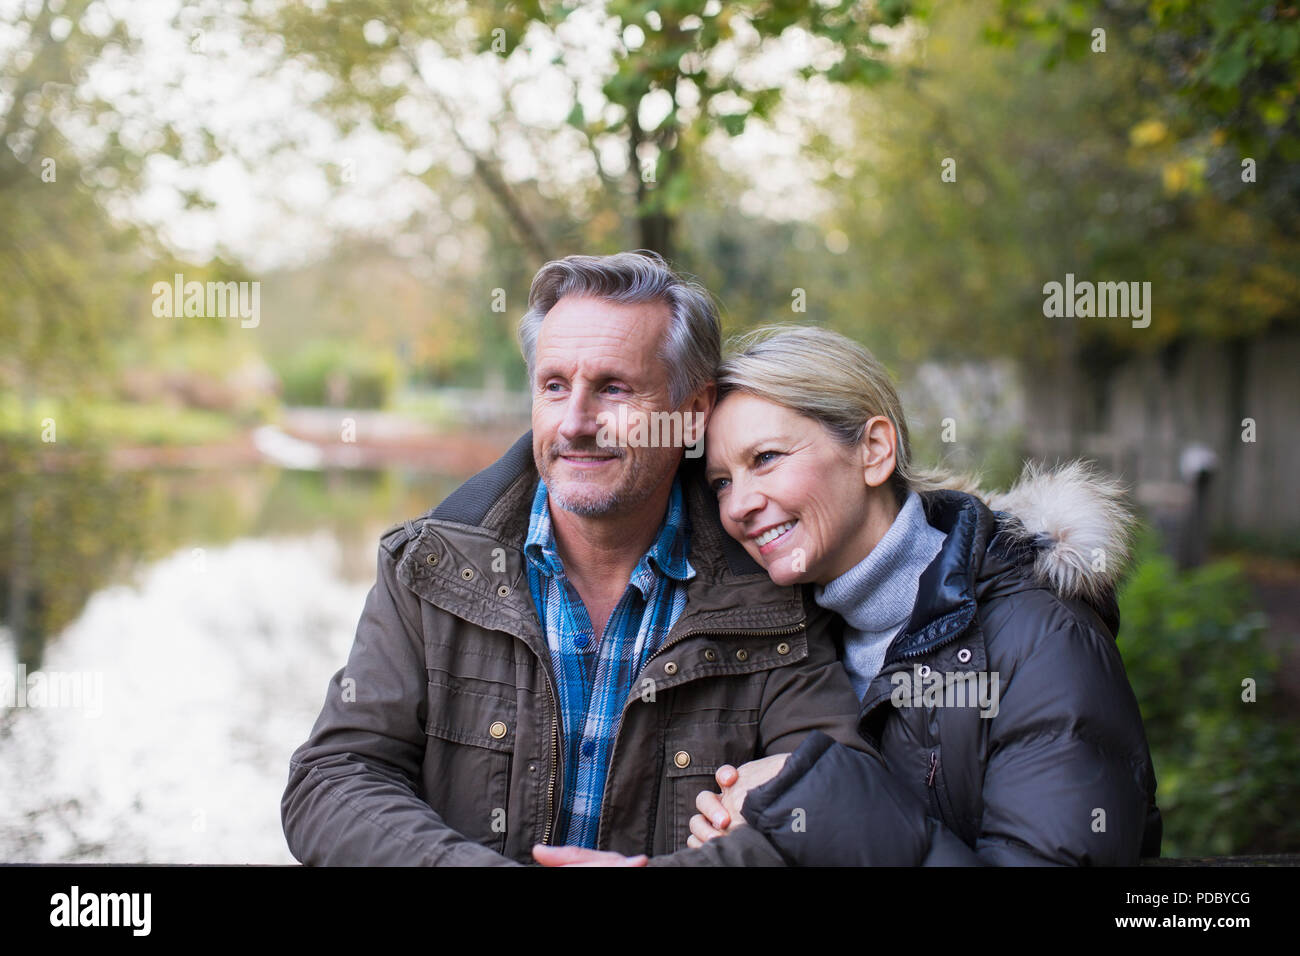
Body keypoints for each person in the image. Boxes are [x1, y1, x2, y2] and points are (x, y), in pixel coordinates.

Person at [281, 256, 871, 866]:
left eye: (614, 388)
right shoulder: (429, 568)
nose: (576, 423)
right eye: (554, 386)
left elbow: (832, 817)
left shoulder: (771, 595)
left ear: (692, 412)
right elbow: (332, 781)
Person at [542, 325, 1162, 866]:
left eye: (767, 458)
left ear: (873, 450)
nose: (739, 506)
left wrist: (817, 803)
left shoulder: (1042, 644)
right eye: (722, 482)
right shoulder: (790, 632)